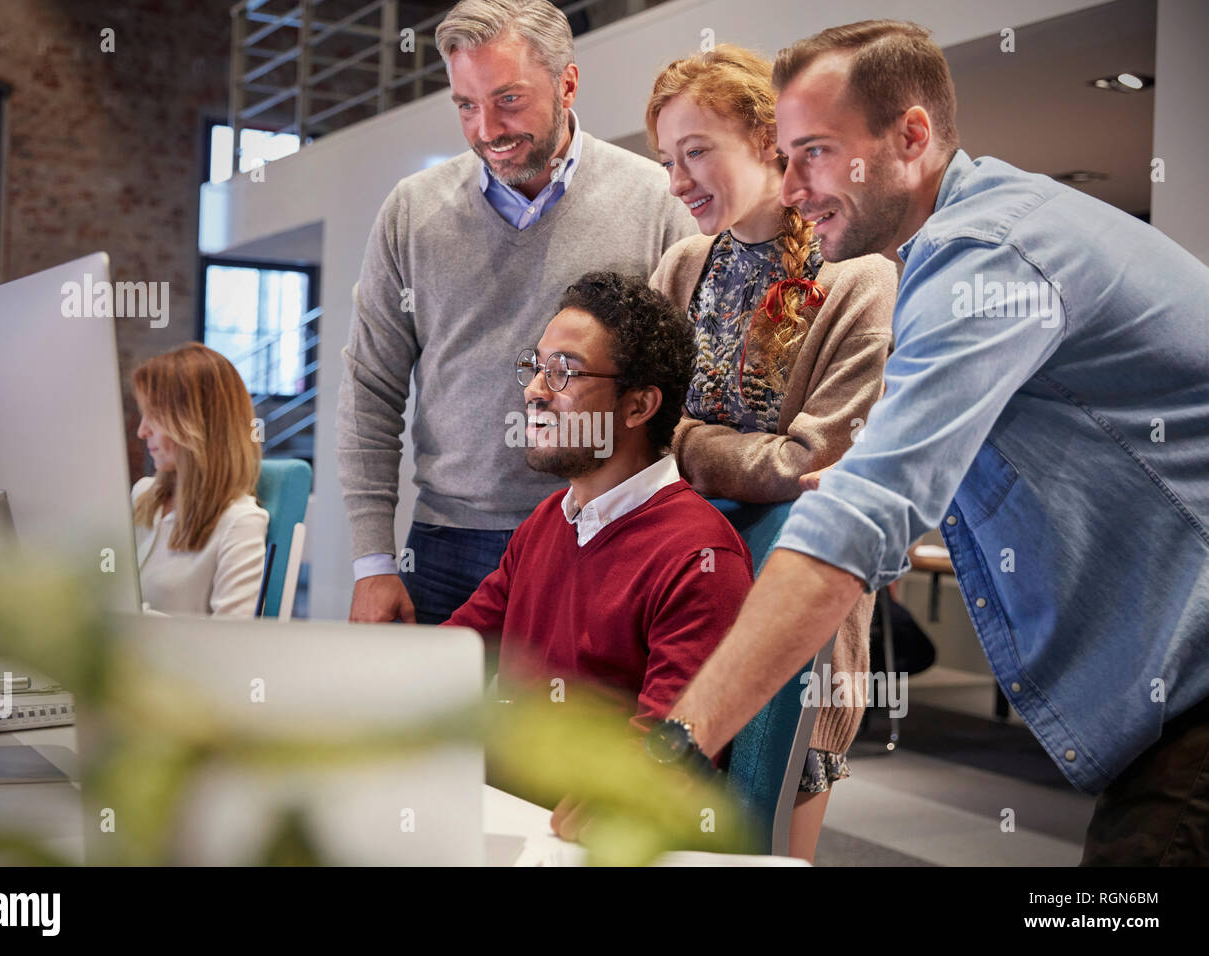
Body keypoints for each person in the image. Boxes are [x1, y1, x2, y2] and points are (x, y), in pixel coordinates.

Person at [658, 19, 1209, 866]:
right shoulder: (954, 253)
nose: (792, 182)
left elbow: (862, 506)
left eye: (813, 152)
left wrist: (682, 740)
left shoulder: (985, 253)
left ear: (911, 136)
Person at [339, 0, 696, 627]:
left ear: (567, 83)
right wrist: (373, 561)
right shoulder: (412, 212)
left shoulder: (655, 202)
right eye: (466, 106)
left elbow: (680, 387)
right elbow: (370, 388)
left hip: (603, 533)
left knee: (583, 728)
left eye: (508, 100)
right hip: (446, 543)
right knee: (438, 729)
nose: (487, 129)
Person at [646, 43, 896, 862]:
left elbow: (814, 465)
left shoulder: (860, 278)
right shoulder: (682, 266)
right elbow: (640, 429)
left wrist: (682, 442)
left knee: (764, 847)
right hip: (678, 591)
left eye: (695, 152)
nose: (678, 181)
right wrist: (729, 453)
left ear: (765, 141)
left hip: (793, 602)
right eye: (667, 160)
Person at [443, 271, 752, 768]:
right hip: (505, 800)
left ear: (639, 406)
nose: (534, 392)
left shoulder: (701, 558)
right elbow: (453, 654)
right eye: (535, 368)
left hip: (589, 828)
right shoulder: (549, 520)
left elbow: (667, 756)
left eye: (564, 371)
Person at [131, 343, 269, 617]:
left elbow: (232, 643)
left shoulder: (240, 523)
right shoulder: (144, 495)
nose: (141, 431)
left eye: (154, 416)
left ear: (192, 424)